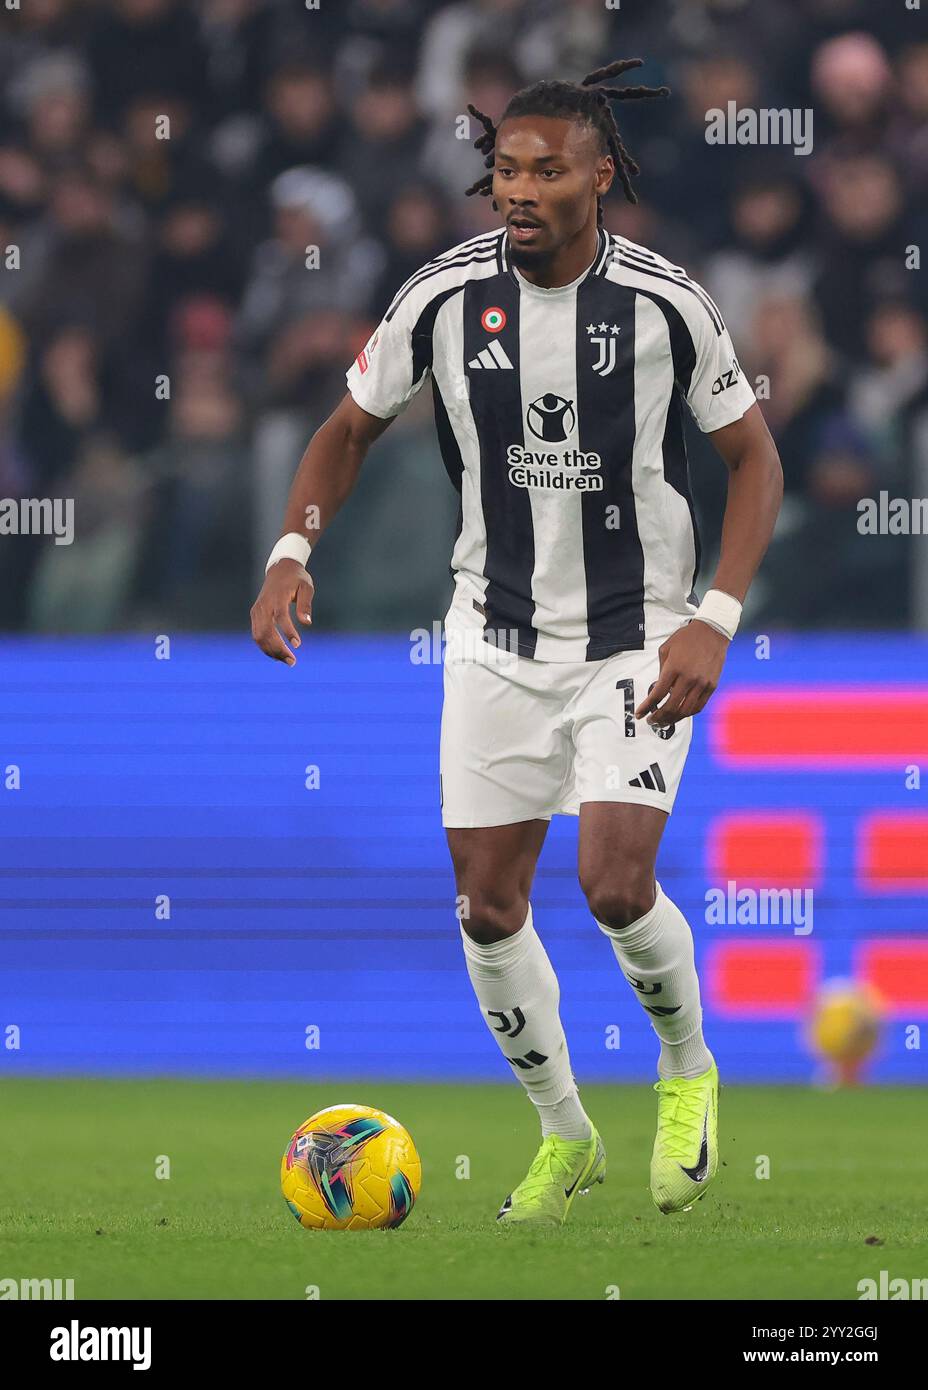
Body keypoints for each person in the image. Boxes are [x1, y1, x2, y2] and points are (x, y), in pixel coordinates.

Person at [251, 58, 783, 1226]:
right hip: (490, 635)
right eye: (505, 169)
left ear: (601, 176)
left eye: (547, 170)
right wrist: (293, 551)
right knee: (487, 908)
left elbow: (754, 459)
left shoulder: (665, 304)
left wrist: (715, 617)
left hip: (636, 632)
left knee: (611, 881)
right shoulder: (440, 296)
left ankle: (686, 1069)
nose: (519, 190)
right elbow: (346, 430)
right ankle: (564, 1136)